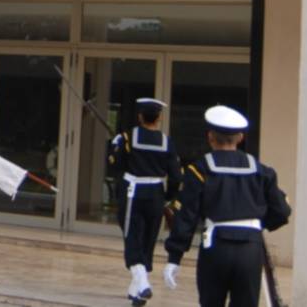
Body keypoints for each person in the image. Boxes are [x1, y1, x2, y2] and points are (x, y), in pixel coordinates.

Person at [163, 106, 292, 307]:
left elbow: (187, 216)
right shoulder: (261, 171)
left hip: (216, 246)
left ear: (210, 137)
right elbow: (282, 211)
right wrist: (256, 223)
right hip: (250, 248)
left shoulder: (200, 169)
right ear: (240, 137)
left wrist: (175, 256)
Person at [106, 97, 182, 305]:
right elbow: (176, 176)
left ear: (140, 116)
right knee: (148, 238)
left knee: (132, 237)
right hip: (156, 193)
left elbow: (115, 165)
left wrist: (115, 147)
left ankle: (143, 282)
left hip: (133, 191)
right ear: (158, 118)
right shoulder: (167, 142)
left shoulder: (128, 137)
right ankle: (136, 290)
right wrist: (168, 196)